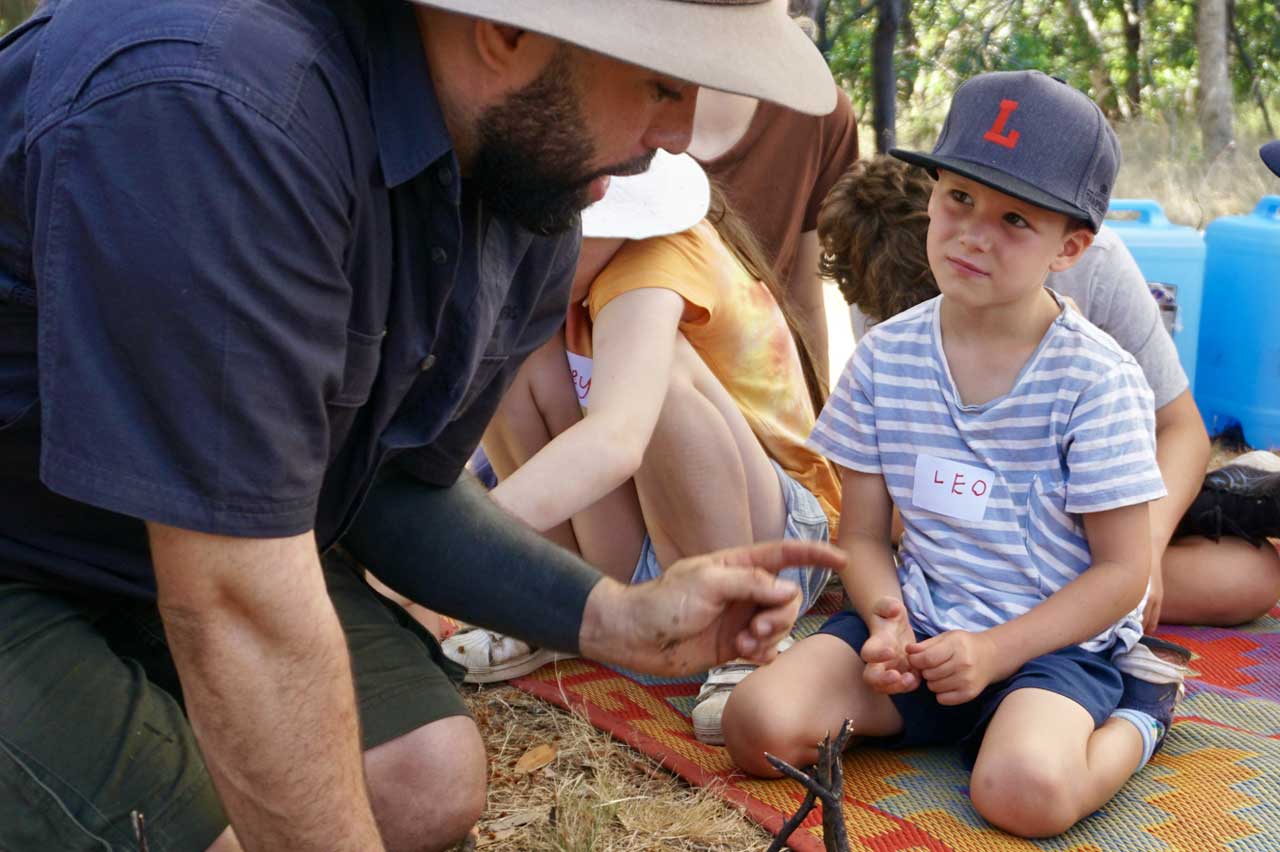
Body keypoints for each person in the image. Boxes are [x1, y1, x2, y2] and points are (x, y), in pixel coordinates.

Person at [0, 1, 846, 850]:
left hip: (160, 539)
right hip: (28, 550)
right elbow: (234, 597)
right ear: (507, 32)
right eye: (661, 85)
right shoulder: (222, 106)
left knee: (423, 779)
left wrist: (610, 616)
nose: (681, 132)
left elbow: (392, 483)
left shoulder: (530, 173)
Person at [721, 71, 1188, 839]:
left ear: (1070, 247)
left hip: (1047, 649)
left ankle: (1138, 717)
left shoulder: (1097, 380)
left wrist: (998, 650)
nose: (974, 233)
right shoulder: (884, 358)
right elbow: (864, 537)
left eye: (1015, 220)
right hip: (926, 636)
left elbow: (1121, 574)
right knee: (757, 726)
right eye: (959, 198)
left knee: (1023, 795)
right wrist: (884, 621)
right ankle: (924, 718)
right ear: (930, 194)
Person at [439, 151, 840, 740]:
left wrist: (458, 538)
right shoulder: (568, 283)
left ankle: (742, 625)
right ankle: (551, 605)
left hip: (767, 534)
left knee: (662, 379)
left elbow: (617, 438)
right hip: (651, 532)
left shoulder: (654, 266)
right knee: (514, 347)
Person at [824, 155, 1280, 628]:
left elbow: (1181, 428)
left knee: (1248, 579)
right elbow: (874, 499)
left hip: (1092, 517)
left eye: (1010, 223)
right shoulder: (887, 315)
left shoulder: (1095, 267)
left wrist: (1143, 552)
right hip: (959, 533)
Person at [689, 81, 860, 389]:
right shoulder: (610, 82)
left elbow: (805, 301)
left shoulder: (820, 113)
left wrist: (814, 423)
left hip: (761, 393)